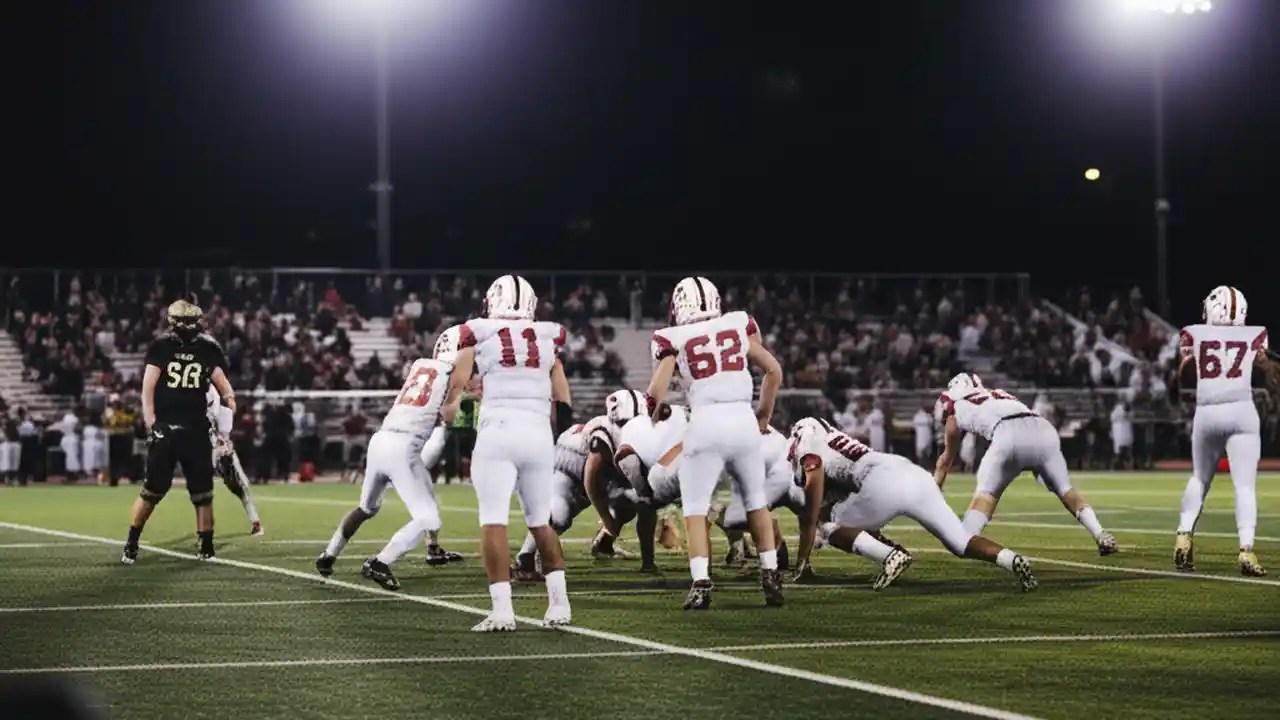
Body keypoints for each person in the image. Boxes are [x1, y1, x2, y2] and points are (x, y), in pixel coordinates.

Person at [441, 276, 575, 632]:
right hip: (537, 433)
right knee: (539, 520)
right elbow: (561, 391)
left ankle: (502, 611)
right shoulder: (546, 334)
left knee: (493, 520)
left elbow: (458, 379)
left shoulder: (478, 330)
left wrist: (451, 406)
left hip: (499, 430)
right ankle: (559, 604)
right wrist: (560, 423)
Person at [646, 276, 785, 610]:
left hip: (705, 423)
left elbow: (654, 392)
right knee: (756, 502)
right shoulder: (737, 324)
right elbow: (774, 370)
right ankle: (770, 573)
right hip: (742, 421)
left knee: (694, 509)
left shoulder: (673, 336)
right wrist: (763, 416)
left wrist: (656, 410)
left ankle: (701, 581)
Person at [790, 417, 1037, 592]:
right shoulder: (838, 442)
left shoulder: (807, 441)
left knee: (827, 526)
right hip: (911, 473)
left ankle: (890, 556)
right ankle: (1011, 559)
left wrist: (804, 558)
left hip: (882, 482)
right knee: (960, 541)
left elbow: (814, 505)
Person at [317, 327, 466, 588]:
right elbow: (449, 414)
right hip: (403, 446)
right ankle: (381, 562)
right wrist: (462, 399)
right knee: (428, 516)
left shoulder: (421, 365)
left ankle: (329, 555)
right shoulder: (453, 373)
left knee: (366, 508)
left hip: (381, 439)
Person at [934, 373, 1118, 556]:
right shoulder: (998, 394)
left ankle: (970, 538)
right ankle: (1099, 533)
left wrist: (933, 490)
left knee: (986, 495)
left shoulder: (956, 409)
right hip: (1042, 428)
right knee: (1065, 489)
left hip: (1008, 434)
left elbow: (945, 461)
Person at [121, 298, 234, 564]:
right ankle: (132, 541)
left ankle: (205, 545)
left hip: (193, 429)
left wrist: (225, 427)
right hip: (172, 429)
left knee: (202, 493)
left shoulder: (195, 347)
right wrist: (151, 423)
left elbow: (224, 387)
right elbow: (148, 388)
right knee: (153, 491)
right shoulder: (166, 346)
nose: (188, 326)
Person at [1174, 286, 1273, 576]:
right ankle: (1246, 550)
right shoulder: (1256, 333)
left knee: (1200, 479)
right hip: (1241, 410)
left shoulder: (1193, 333)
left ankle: (1183, 534)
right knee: (1244, 485)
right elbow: (1265, 365)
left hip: (1207, 410)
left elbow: (1185, 373)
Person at [206, 386, 261, 536]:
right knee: (202, 490)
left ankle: (255, 521)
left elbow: (225, 437)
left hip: (217, 450)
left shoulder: (220, 410)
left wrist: (224, 447)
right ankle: (205, 529)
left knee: (240, 486)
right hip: (202, 450)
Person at [1110, 399, 1134, 470]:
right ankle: (1115, 466)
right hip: (1119, 434)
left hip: (1126, 432)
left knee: (1127, 452)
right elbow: (1113, 418)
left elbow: (1131, 416)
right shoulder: (1116, 412)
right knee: (1118, 452)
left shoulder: (1130, 413)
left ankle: (1128, 466)